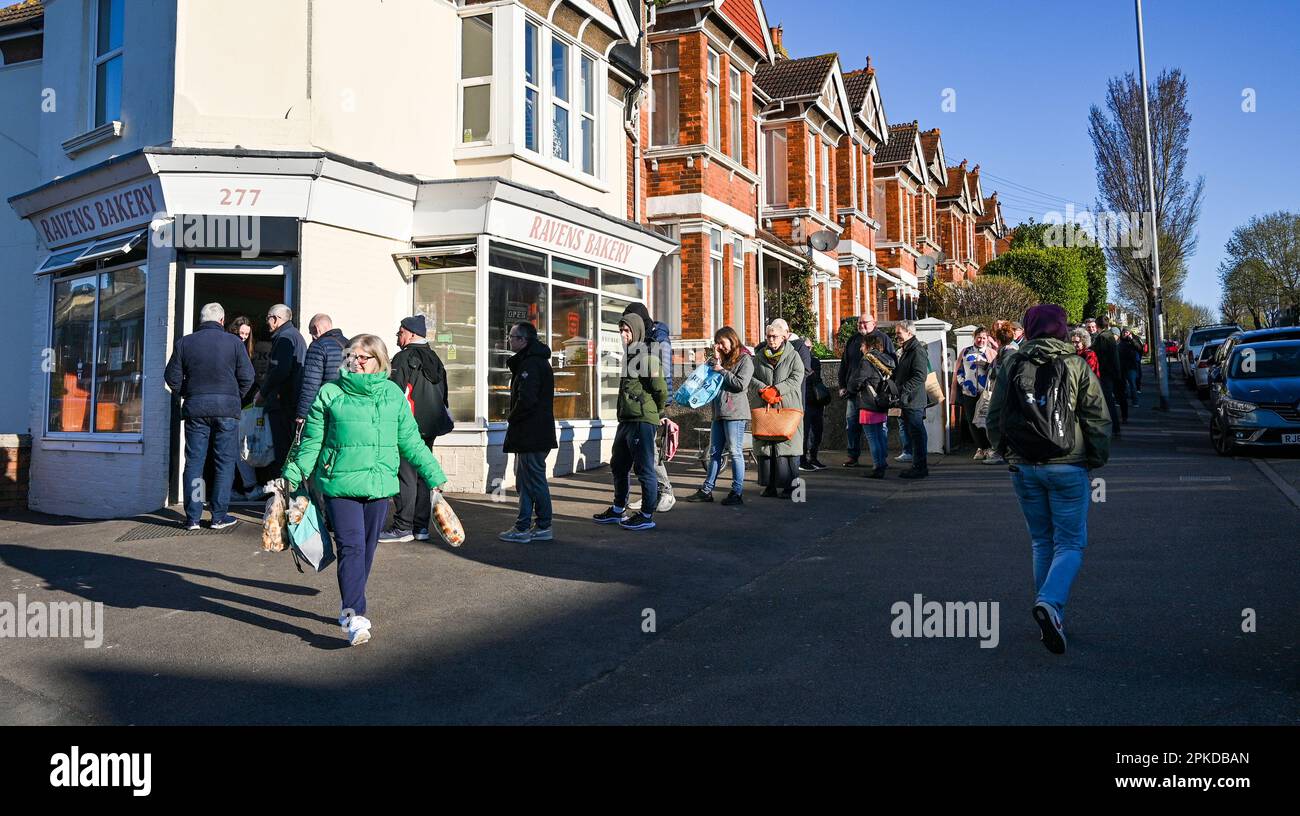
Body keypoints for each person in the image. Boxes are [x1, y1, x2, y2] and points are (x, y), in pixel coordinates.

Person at [282, 334, 448, 646]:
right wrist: (292, 473)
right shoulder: (330, 393)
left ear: (379, 362)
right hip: (339, 484)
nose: (356, 362)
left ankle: (354, 598)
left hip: (380, 486)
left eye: (363, 357)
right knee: (352, 548)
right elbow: (312, 441)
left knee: (367, 550)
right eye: (351, 356)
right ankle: (354, 615)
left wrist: (433, 474)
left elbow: (411, 441)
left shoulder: (392, 395)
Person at [985, 304, 1111, 655]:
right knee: (1070, 543)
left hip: (1024, 466)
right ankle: (1052, 605)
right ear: (1061, 329)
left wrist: (1004, 451)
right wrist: (1095, 459)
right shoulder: (1076, 364)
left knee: (1041, 541)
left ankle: (1050, 613)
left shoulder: (1011, 363)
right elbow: (1097, 418)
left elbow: (994, 415)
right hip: (1068, 464)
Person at [164, 302, 256, 530]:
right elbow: (248, 377)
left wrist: (190, 393)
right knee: (224, 463)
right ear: (222, 321)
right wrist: (234, 396)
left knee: (194, 462)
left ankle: (193, 517)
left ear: (200, 320)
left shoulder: (185, 343)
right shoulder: (234, 342)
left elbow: (171, 378)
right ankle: (218, 516)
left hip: (196, 410)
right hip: (227, 411)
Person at [593, 312, 668, 530]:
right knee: (618, 464)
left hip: (642, 420)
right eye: (621, 331)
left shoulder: (646, 356)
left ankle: (646, 515)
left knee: (644, 467)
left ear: (636, 332)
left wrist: (657, 411)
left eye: (627, 331)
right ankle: (618, 509)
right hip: (627, 419)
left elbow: (660, 389)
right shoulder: (630, 355)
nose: (623, 335)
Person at [380, 315, 450, 544]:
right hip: (430, 427)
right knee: (421, 477)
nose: (397, 336)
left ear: (410, 333)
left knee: (406, 476)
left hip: (409, 427)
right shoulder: (435, 358)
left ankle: (403, 527)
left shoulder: (404, 358)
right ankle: (420, 527)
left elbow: (392, 394)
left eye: (400, 332)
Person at [498, 321, 557, 542]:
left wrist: (512, 417)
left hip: (531, 433)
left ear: (523, 340)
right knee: (527, 480)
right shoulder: (533, 362)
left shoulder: (530, 365)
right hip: (534, 433)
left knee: (532, 480)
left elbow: (527, 400)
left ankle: (534, 526)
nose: (509, 339)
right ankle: (531, 525)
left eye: (512, 336)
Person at [686, 326, 753, 505]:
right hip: (719, 412)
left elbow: (740, 384)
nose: (720, 347)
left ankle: (736, 493)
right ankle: (707, 491)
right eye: (717, 344)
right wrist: (716, 358)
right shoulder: (719, 360)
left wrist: (721, 370)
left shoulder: (745, 359)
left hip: (735, 413)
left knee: (735, 452)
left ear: (732, 339)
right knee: (714, 452)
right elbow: (706, 377)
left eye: (722, 343)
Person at [621, 302, 676, 512]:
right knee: (644, 454)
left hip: (652, 404)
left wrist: (662, 408)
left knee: (650, 454)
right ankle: (650, 495)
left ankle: (665, 492)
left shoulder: (658, 341)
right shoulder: (641, 341)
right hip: (642, 405)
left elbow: (663, 378)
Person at [751, 319, 805, 498]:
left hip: (787, 407)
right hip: (766, 407)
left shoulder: (793, 355)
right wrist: (763, 389)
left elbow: (797, 377)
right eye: (768, 336)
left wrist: (777, 389)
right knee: (767, 446)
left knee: (787, 446)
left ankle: (791, 487)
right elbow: (751, 377)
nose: (771, 339)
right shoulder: (759, 356)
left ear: (784, 337)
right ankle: (770, 485)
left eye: (775, 336)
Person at [839, 315, 894, 467]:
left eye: (865, 322)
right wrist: (842, 385)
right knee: (851, 424)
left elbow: (891, 362)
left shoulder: (883, 339)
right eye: (860, 322)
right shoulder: (853, 340)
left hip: (873, 394)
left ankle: (880, 459)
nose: (862, 325)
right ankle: (853, 455)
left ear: (874, 323)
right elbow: (844, 364)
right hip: (853, 393)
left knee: (878, 429)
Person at [257, 304, 307, 470]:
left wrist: (263, 392)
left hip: (283, 402)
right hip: (290, 401)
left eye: (268, 318)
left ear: (276, 319)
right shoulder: (294, 335)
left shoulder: (284, 338)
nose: (267, 322)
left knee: (283, 450)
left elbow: (280, 370)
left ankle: (285, 492)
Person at [847, 334, 895, 478]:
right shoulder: (885, 359)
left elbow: (857, 381)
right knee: (880, 435)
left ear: (868, 345)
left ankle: (878, 467)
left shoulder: (867, 360)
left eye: (862, 345)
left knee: (872, 437)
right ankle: (882, 462)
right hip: (882, 401)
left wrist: (851, 388)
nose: (861, 348)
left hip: (869, 402)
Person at [891, 320, 929, 479]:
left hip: (913, 400)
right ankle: (918, 465)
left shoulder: (916, 350)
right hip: (908, 400)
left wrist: (902, 390)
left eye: (899, 333)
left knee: (917, 433)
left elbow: (920, 376)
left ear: (909, 333)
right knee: (914, 433)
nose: (896, 336)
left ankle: (920, 467)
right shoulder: (907, 349)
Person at [296, 314, 349, 426]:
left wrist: (302, 414)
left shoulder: (318, 346)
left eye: (311, 333)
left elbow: (311, 383)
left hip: (324, 409)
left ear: (316, 328)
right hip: (347, 407)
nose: (312, 337)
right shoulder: (349, 344)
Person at [955, 326, 994, 460]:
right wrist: (963, 383)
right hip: (969, 392)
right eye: (979, 337)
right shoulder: (965, 351)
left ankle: (988, 447)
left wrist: (986, 364)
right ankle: (981, 447)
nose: (981, 340)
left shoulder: (991, 352)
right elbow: (959, 370)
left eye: (984, 338)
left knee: (985, 420)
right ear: (974, 337)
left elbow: (996, 372)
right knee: (972, 421)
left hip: (986, 392)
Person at [791, 331, 825, 471]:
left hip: (815, 400)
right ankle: (803, 459)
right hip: (806, 400)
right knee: (805, 433)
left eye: (810, 348)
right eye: (806, 348)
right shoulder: (800, 361)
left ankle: (813, 457)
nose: (808, 351)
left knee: (817, 431)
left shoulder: (814, 361)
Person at [1086, 316, 1125, 435]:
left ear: (1097, 325)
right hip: (1111, 373)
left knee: (1107, 401)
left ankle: (1113, 428)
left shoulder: (1103, 337)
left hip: (1105, 374)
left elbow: (1101, 357)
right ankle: (1114, 427)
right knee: (1108, 401)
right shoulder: (1108, 336)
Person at [1119, 329, 1142, 407]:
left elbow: (1139, 348)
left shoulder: (1133, 341)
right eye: (1124, 332)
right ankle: (1122, 401)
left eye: (1127, 332)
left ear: (1130, 333)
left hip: (1131, 366)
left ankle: (1135, 401)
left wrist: (1132, 339)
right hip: (1122, 366)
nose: (1125, 334)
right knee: (1122, 385)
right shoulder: (1120, 342)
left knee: (1132, 384)